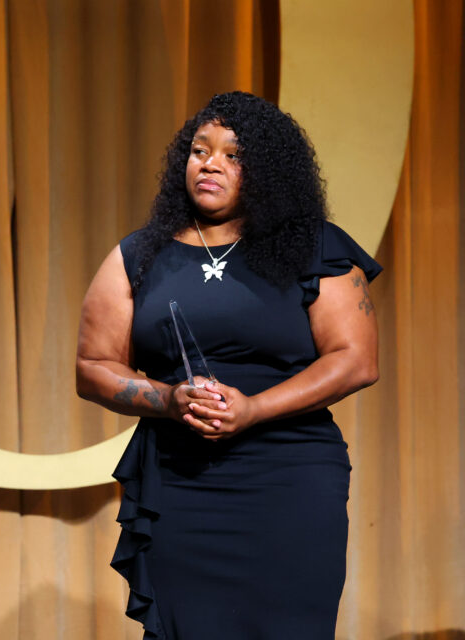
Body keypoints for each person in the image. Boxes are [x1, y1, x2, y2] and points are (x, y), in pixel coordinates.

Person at [75, 92, 380, 639]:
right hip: (180, 483)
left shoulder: (315, 247)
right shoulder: (139, 256)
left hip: (289, 478)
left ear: (269, 172)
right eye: (200, 151)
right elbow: (94, 366)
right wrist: (169, 400)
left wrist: (253, 409)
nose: (210, 164)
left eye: (233, 156)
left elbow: (356, 359)